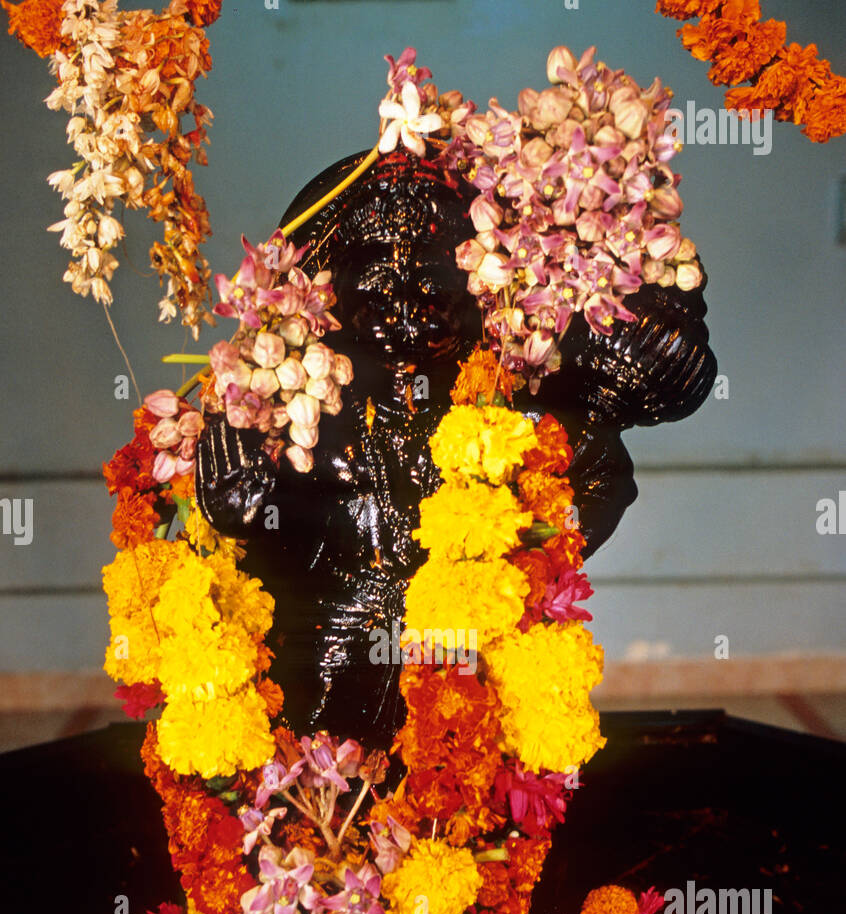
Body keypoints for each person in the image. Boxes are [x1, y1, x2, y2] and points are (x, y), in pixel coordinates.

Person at [196, 150, 717, 747]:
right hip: (327, 647)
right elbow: (269, 537)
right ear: (333, 289)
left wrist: (535, 548)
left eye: (429, 284)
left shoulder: (500, 409)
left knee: (460, 785)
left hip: (463, 653)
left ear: (476, 290)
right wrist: (246, 515)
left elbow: (601, 476)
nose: (402, 309)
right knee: (319, 790)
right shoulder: (302, 412)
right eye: (375, 284)